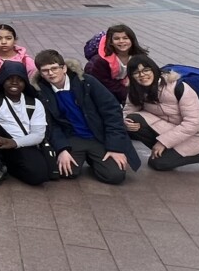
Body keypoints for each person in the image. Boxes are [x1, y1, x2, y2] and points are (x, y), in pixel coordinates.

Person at [34, 50, 133, 185]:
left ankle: (94, 159)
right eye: (45, 71)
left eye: (54, 68)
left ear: (63, 68)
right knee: (66, 171)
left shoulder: (87, 82)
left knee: (115, 175)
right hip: (72, 137)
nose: (51, 73)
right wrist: (62, 149)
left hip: (98, 135)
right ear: (40, 73)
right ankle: (83, 157)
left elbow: (112, 112)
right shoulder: (41, 93)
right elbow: (51, 125)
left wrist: (115, 147)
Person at [123, 53, 199, 171]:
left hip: (192, 134)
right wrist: (125, 122)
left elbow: (193, 122)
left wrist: (163, 142)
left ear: (154, 69)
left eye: (146, 70)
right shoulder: (135, 89)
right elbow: (128, 111)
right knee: (133, 120)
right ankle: (166, 149)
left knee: (158, 163)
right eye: (136, 72)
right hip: (165, 127)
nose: (142, 75)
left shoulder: (179, 87)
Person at [83, 23, 138, 105]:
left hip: (121, 87)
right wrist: (130, 95)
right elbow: (106, 84)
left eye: (125, 38)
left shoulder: (138, 56)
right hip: (101, 90)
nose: (121, 41)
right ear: (110, 42)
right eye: (117, 38)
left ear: (132, 40)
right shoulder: (101, 61)